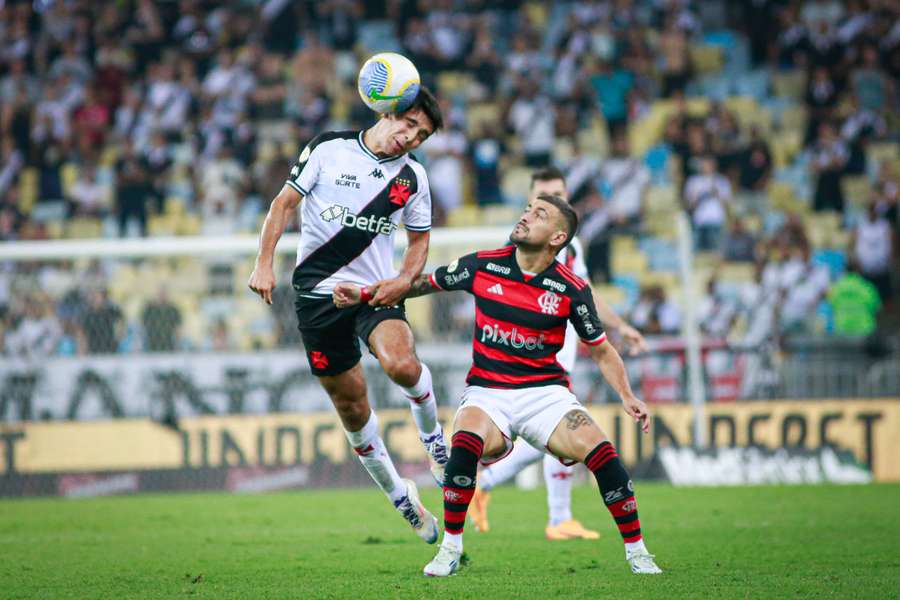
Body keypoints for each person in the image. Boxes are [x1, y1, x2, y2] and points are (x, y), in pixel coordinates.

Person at [334, 194, 662, 576]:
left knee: (604, 455)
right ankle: (450, 549)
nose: (525, 216)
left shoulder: (572, 289)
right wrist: (367, 293)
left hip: (546, 396)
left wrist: (627, 395)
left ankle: (638, 552)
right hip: (487, 393)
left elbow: (602, 351)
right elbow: (422, 283)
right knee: (464, 444)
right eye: (527, 209)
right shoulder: (483, 265)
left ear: (557, 238)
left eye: (538, 215)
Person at [248, 88, 447, 545]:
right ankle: (401, 497)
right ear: (388, 111)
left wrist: (402, 280)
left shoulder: (412, 179)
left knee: (401, 364)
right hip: (317, 297)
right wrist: (263, 262)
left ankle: (435, 442)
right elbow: (283, 204)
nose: (411, 138)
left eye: (422, 135)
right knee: (352, 407)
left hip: (373, 293)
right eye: (409, 124)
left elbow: (419, 242)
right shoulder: (328, 149)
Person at [469, 167, 649, 541]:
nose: (555, 199)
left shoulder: (571, 245)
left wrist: (618, 326)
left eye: (561, 193)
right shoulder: (523, 243)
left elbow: (586, 292)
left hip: (563, 342)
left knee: (557, 432)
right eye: (545, 195)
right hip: (530, 352)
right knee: (552, 431)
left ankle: (552, 513)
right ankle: (536, 505)